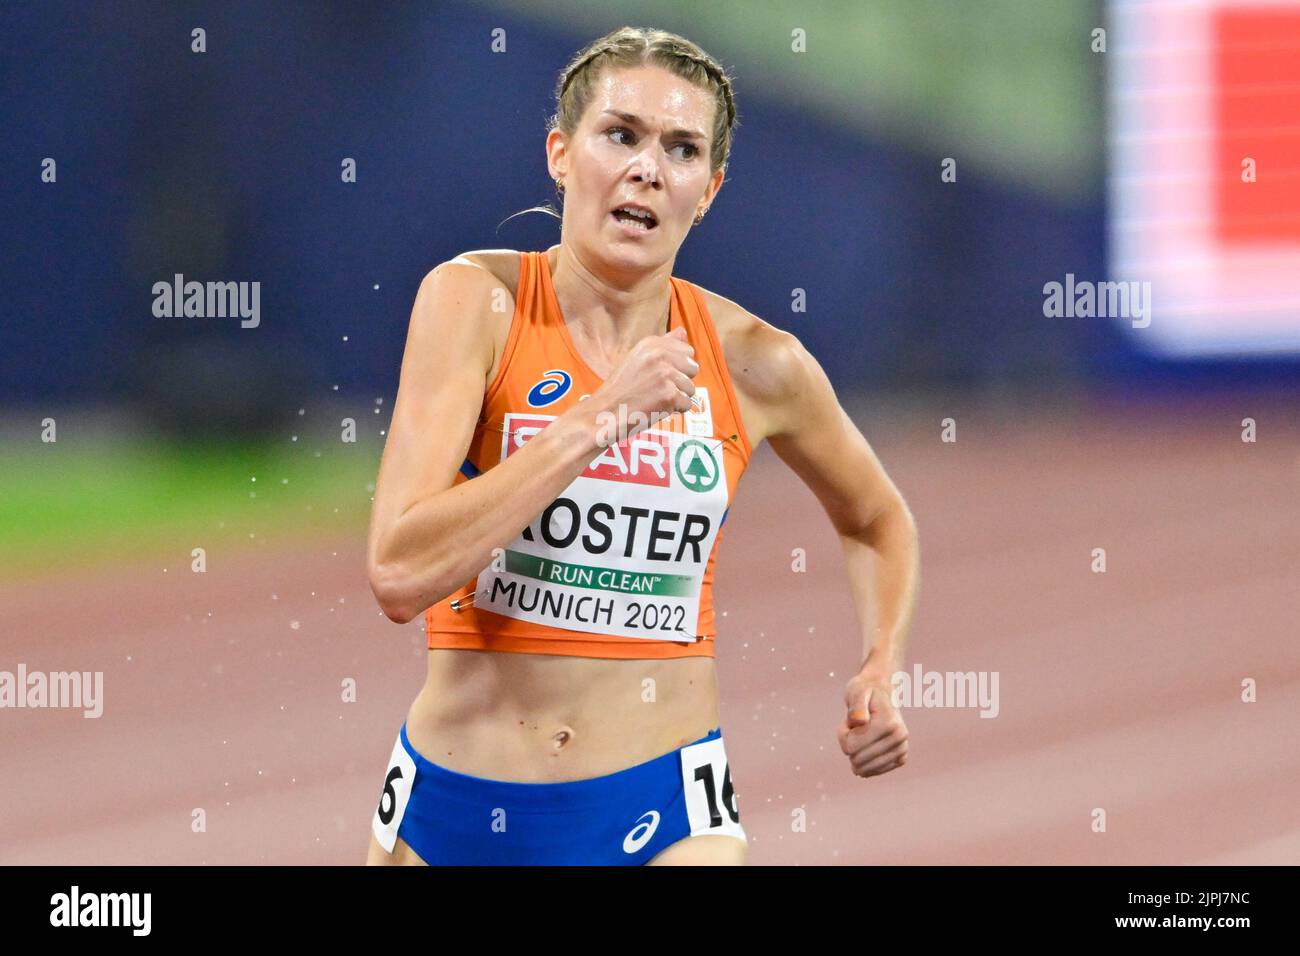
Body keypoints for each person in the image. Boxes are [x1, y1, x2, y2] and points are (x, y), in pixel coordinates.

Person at [364, 26, 919, 866]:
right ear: (560, 153)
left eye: (683, 149)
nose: (648, 168)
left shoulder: (756, 363)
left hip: (666, 809)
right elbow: (400, 574)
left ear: (710, 189)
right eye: (620, 134)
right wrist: (598, 419)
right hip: (456, 811)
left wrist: (881, 664)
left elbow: (877, 518)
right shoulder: (475, 303)